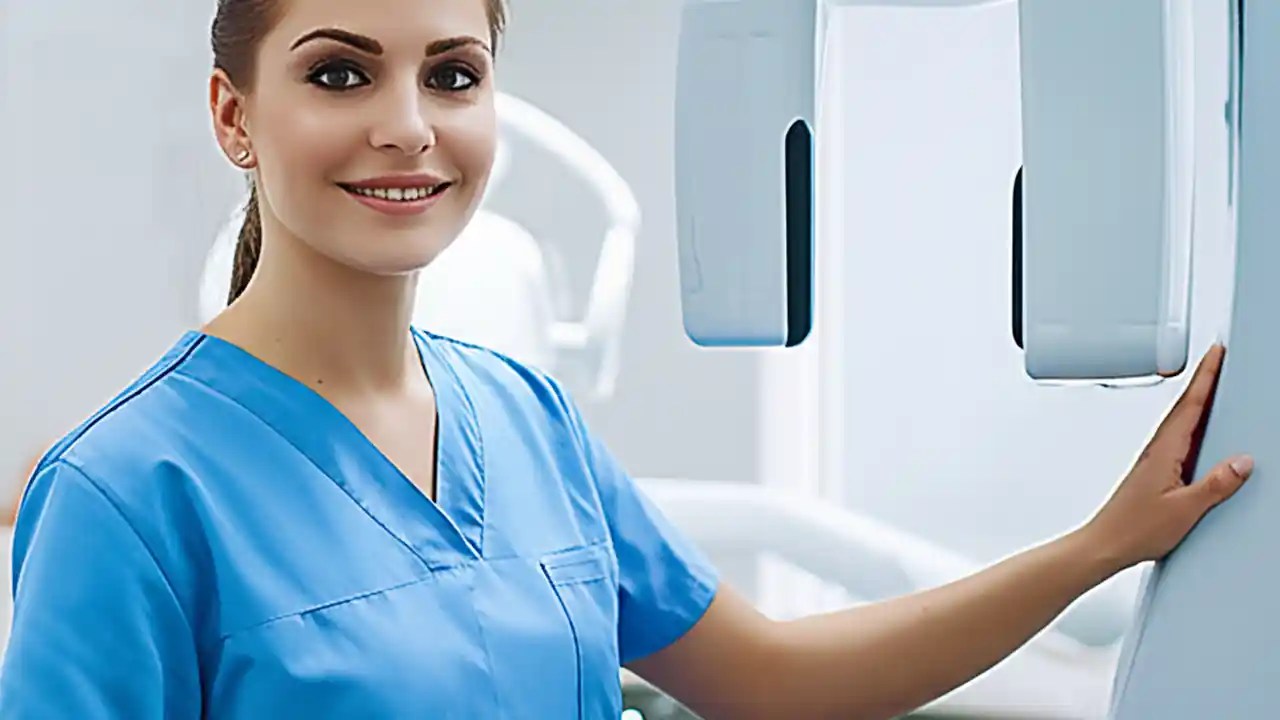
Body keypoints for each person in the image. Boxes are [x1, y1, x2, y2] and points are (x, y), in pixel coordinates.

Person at [0, 0, 1254, 718]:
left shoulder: (524, 418)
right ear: (235, 116)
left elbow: (768, 681)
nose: (406, 126)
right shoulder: (129, 495)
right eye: (339, 72)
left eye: (452, 74)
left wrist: (1101, 544)